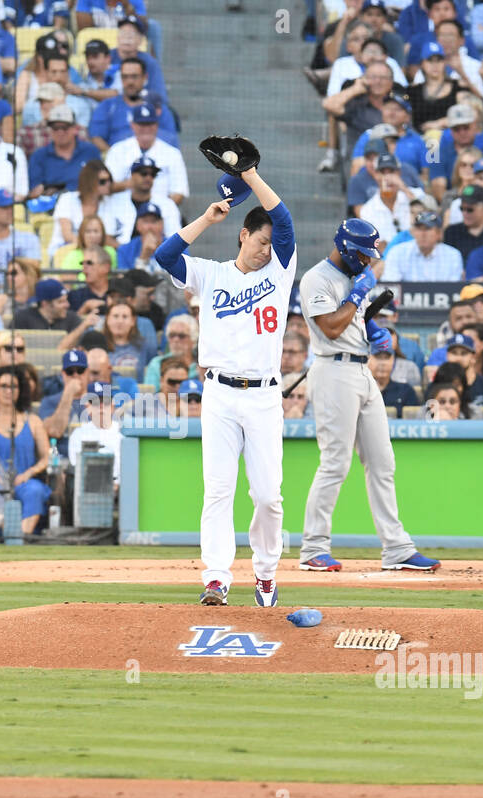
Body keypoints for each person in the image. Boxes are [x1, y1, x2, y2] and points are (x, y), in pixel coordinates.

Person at [153, 161, 295, 607]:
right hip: (218, 393)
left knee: (268, 496)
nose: (266, 251)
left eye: (272, 245)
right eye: (261, 241)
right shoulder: (211, 274)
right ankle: (216, 578)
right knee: (217, 489)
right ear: (243, 235)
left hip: (265, 395)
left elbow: (285, 221)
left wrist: (250, 175)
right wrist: (208, 217)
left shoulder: (279, 273)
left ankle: (266, 573)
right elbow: (165, 257)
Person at [294, 217, 440, 572]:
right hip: (332, 369)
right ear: (344, 248)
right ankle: (313, 548)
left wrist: (373, 330)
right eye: (362, 255)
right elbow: (329, 328)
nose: (367, 261)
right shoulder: (318, 278)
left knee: (382, 462)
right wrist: (359, 292)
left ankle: (397, 549)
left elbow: (354, 316)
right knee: (335, 462)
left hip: (361, 368)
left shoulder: (351, 277)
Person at [0, 365, 51, 534]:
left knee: (35, 490)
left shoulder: (33, 421)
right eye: (3, 386)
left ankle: (23, 535)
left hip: (23, 480)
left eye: (13, 386)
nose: (8, 391)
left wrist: (29, 473)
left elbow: (47, 457)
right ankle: (9, 532)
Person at [380, 209, 463, 282]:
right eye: (419, 229)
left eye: (427, 229)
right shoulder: (397, 252)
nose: (423, 234)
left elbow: (453, 290)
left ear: (439, 233)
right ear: (413, 232)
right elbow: (391, 287)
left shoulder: (452, 255)